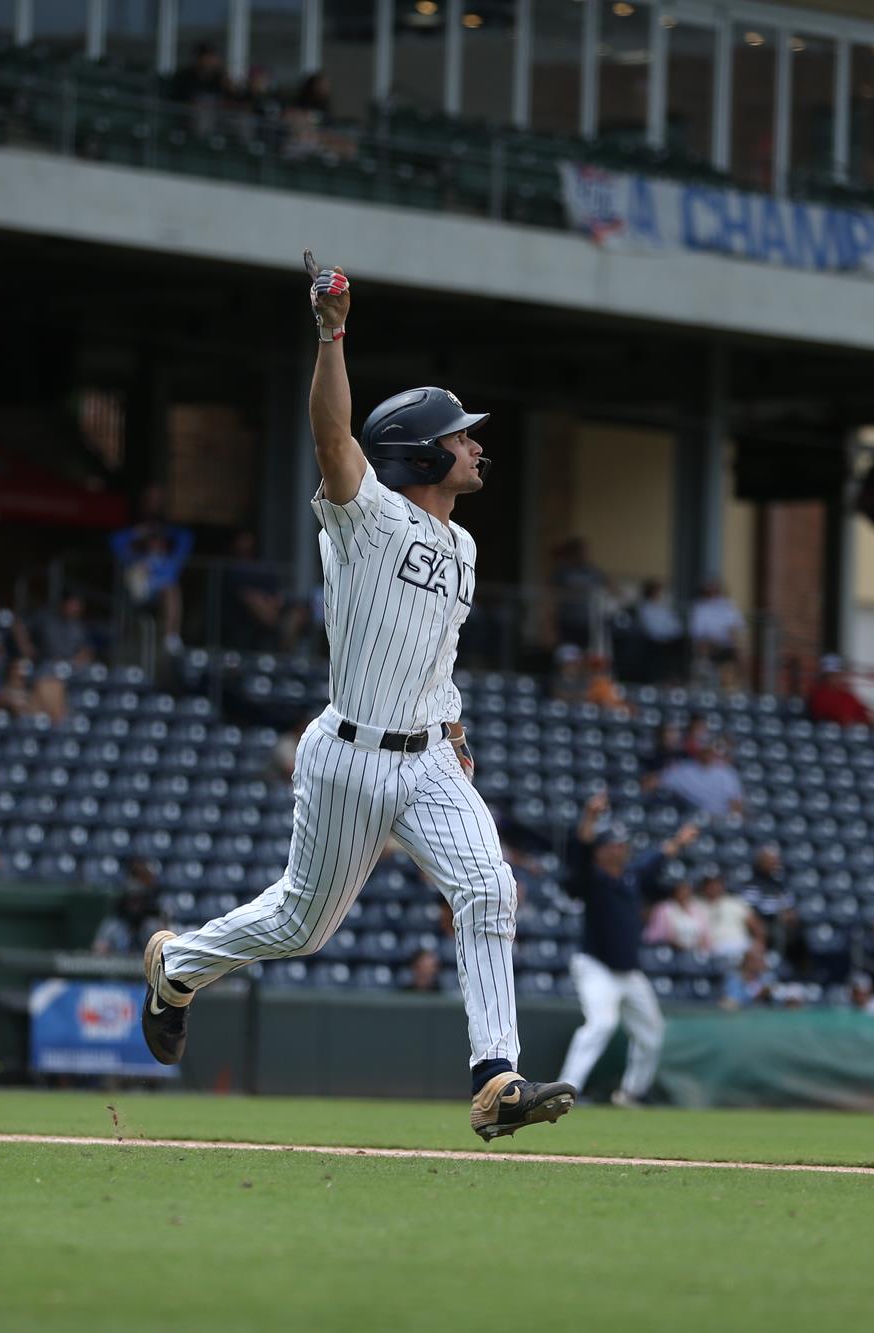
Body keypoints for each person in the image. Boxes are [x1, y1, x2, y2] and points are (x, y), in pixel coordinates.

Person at [142, 261, 577, 1143]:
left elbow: (437, 652)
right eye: (461, 436)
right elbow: (332, 436)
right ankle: (176, 964)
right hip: (349, 753)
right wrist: (332, 333)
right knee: (302, 924)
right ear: (422, 453)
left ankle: (496, 1078)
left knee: (490, 885)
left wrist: (453, 727)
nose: (476, 445)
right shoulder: (366, 514)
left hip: (429, 753)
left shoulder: (464, 546)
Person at [556, 792, 699, 1108]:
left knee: (651, 1032)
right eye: (613, 845)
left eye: (622, 844)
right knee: (602, 1024)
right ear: (601, 850)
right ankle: (565, 1090)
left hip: (629, 972)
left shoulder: (631, 877)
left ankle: (631, 1093)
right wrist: (590, 817)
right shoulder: (592, 878)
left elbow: (657, 857)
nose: (620, 849)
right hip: (596, 965)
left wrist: (680, 840)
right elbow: (580, 853)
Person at [110, 505, 195, 656]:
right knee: (135, 573)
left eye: (159, 539)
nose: (156, 543)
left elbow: (187, 537)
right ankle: (121, 632)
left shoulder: (172, 560)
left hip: (160, 594)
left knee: (171, 589)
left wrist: (165, 528)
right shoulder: (135, 556)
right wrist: (139, 531)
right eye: (152, 539)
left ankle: (171, 636)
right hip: (137, 593)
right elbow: (115, 541)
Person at [221, 530, 306, 652]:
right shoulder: (231, 569)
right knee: (257, 603)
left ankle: (285, 654)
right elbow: (245, 595)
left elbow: (276, 594)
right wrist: (262, 604)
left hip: (272, 610)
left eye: (248, 538)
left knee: (298, 613)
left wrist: (273, 603)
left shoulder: (262, 566)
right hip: (243, 615)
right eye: (242, 539)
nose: (245, 543)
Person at [92, 858, 169, 955]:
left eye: (139, 900)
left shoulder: (153, 926)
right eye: (132, 900)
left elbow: (166, 954)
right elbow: (98, 953)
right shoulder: (113, 927)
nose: (135, 906)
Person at [548, 538, 606, 650]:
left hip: (586, 621)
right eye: (581, 552)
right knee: (568, 653)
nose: (585, 555)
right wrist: (549, 623)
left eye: (586, 552)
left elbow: (610, 586)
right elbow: (551, 594)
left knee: (585, 652)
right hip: (567, 621)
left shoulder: (592, 571)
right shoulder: (563, 571)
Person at [662, 741, 745, 817]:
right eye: (705, 751)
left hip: (720, 819)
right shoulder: (683, 769)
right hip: (691, 818)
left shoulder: (726, 772)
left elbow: (736, 804)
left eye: (710, 751)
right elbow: (658, 781)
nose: (709, 754)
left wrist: (734, 819)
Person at [689, 579, 746, 688]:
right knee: (705, 646)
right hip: (709, 644)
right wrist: (712, 640)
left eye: (716, 589)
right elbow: (697, 632)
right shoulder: (700, 607)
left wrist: (737, 643)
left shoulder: (727, 605)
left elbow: (736, 626)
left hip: (726, 644)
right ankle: (707, 680)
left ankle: (736, 685)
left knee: (740, 652)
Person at [699, 873, 762, 964]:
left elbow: (756, 927)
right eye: (710, 884)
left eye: (717, 884)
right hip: (715, 949)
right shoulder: (697, 904)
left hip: (740, 945)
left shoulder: (735, 902)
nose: (714, 888)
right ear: (704, 887)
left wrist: (759, 943)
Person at [632, 579, 684, 681]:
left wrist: (672, 634)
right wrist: (665, 635)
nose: (660, 594)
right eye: (657, 592)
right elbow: (651, 628)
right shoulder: (645, 608)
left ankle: (676, 676)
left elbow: (675, 625)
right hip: (653, 639)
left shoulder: (663, 606)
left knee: (683, 643)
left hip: (669, 638)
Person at [805, 654, 874, 727]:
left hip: (851, 731)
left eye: (838, 674)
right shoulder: (818, 694)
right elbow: (822, 713)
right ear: (824, 676)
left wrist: (870, 720)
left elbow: (862, 713)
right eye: (831, 675)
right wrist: (848, 719)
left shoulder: (847, 695)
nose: (836, 678)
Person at [32, 594, 98, 666]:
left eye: (77, 606)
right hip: (47, 662)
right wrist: (28, 647)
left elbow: (87, 648)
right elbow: (23, 626)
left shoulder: (80, 627)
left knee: (97, 669)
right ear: (64, 604)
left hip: (71, 664)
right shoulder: (46, 619)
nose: (74, 609)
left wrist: (80, 658)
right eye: (72, 605)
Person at [641, 879, 707, 950]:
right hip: (671, 951)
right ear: (674, 891)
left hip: (695, 951)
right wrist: (672, 943)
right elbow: (654, 936)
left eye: (686, 889)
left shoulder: (696, 908)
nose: (684, 892)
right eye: (681, 889)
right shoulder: (663, 908)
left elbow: (705, 935)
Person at [722, 943, 773, 1010]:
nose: (761, 963)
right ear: (748, 962)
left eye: (761, 960)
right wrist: (756, 995)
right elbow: (731, 1002)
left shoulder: (766, 977)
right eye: (757, 960)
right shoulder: (734, 978)